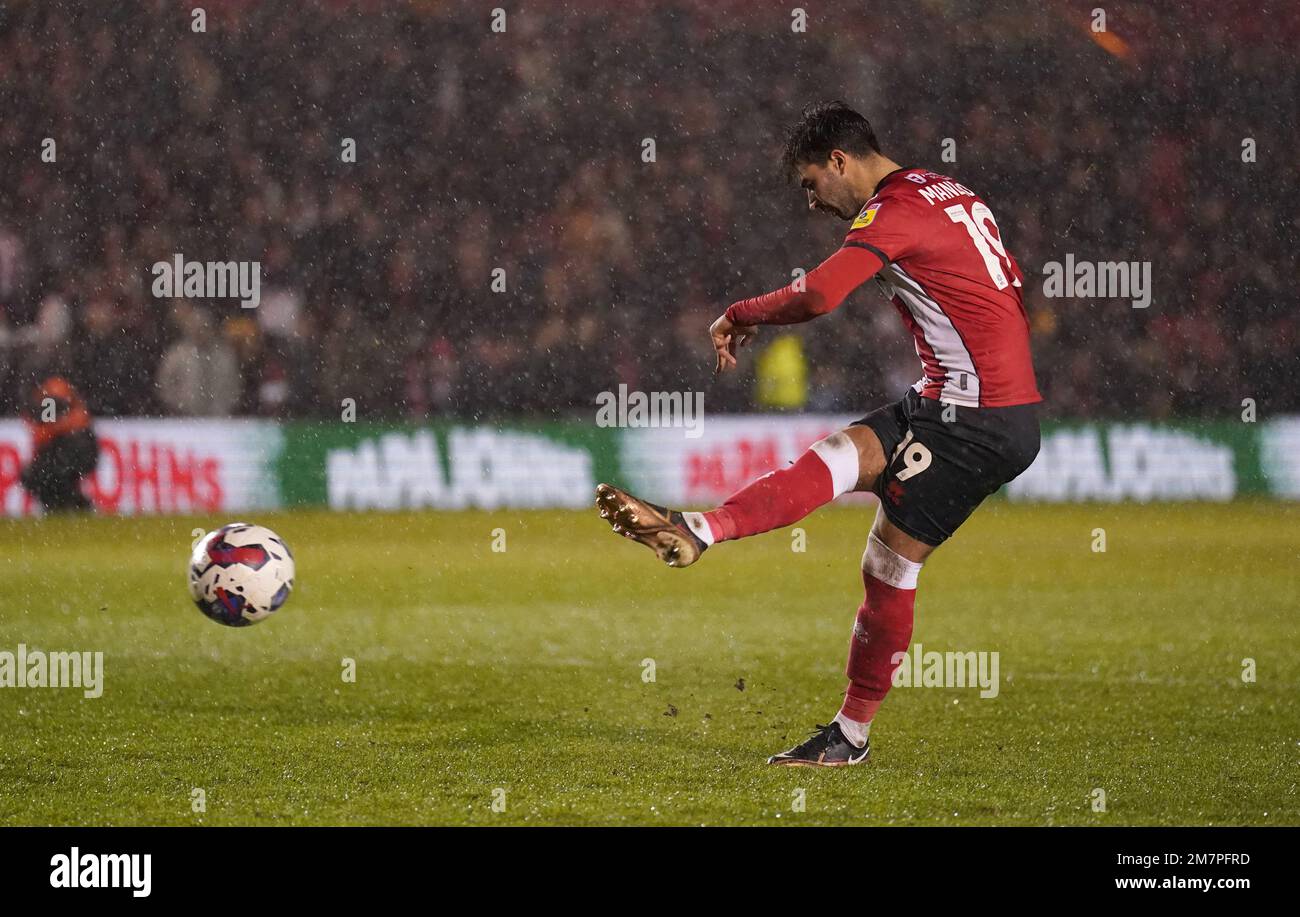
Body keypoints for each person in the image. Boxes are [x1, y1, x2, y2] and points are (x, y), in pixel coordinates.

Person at [596, 101, 1042, 767]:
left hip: (977, 417)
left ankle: (851, 736)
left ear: (840, 160)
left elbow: (821, 295)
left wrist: (742, 312)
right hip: (949, 398)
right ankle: (699, 529)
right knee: (837, 458)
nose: (814, 202)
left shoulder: (893, 211)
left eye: (812, 184)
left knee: (888, 564)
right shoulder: (945, 191)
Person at [20, 375, 100, 512]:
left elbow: (47, 431)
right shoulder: (53, 400)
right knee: (42, 475)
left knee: (50, 474)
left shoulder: (50, 399)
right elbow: (46, 431)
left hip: (71, 452)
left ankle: (71, 505)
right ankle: (69, 505)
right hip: (62, 453)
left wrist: (57, 427)